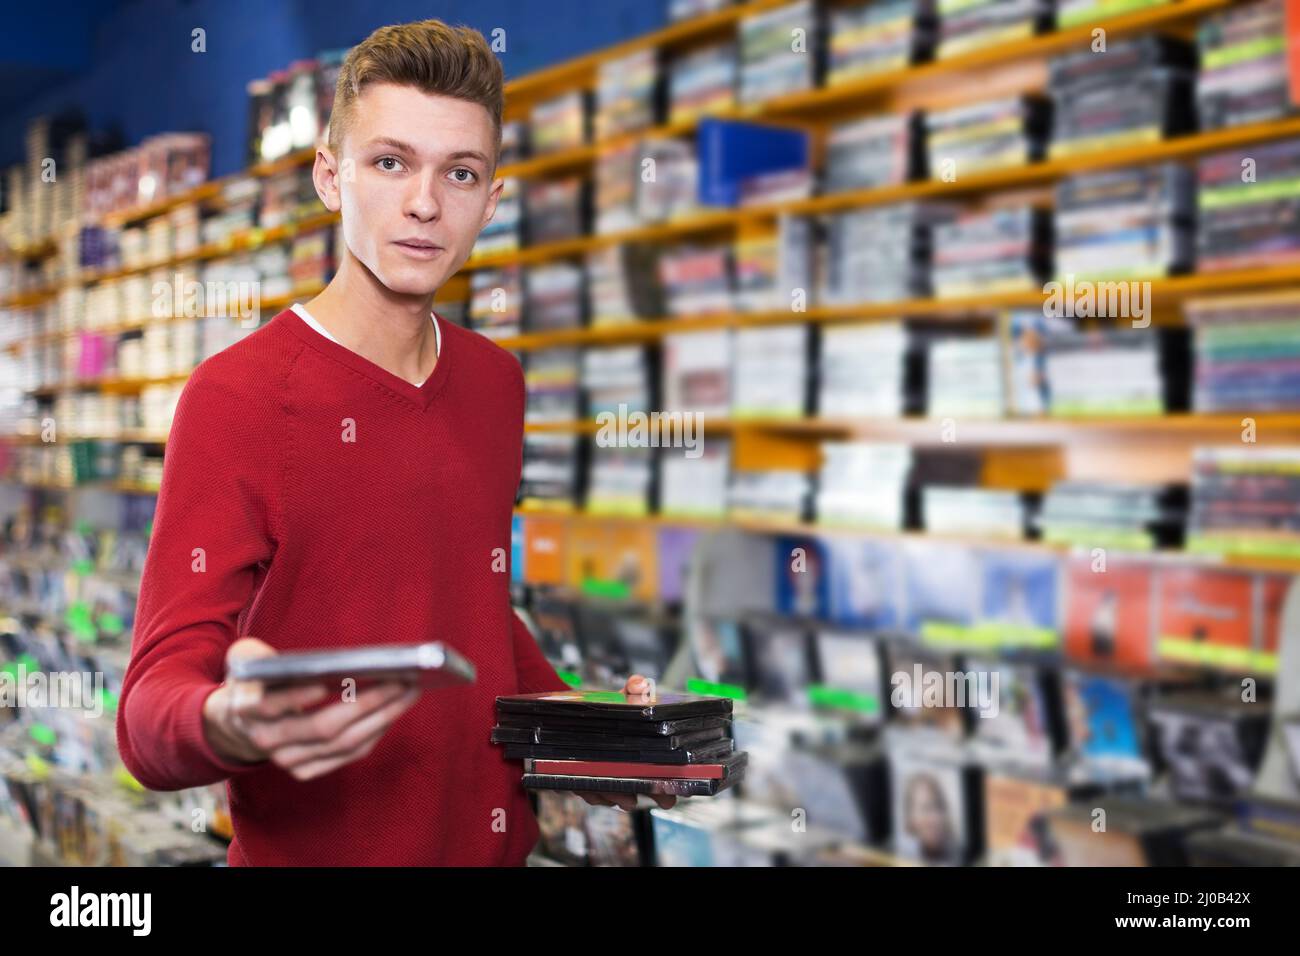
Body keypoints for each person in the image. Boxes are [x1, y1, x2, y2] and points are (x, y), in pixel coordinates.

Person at [116, 18, 671, 867]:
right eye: (390, 162)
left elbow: (471, 613)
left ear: (490, 200)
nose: (424, 203)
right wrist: (225, 720)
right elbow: (149, 713)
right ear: (330, 178)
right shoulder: (235, 399)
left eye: (459, 173)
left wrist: (594, 738)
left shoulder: (495, 384)